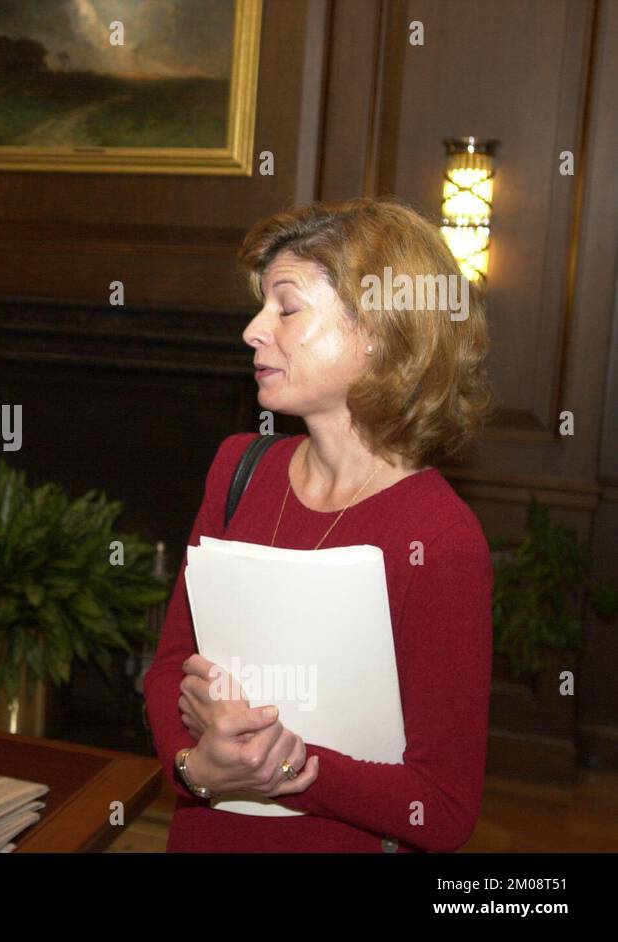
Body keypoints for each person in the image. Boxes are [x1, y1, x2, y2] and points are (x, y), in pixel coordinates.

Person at [145, 198, 494, 852]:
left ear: (379, 331)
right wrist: (197, 770)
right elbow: (169, 667)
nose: (254, 329)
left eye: (287, 307)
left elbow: (443, 809)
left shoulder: (441, 538)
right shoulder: (236, 467)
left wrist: (284, 766)